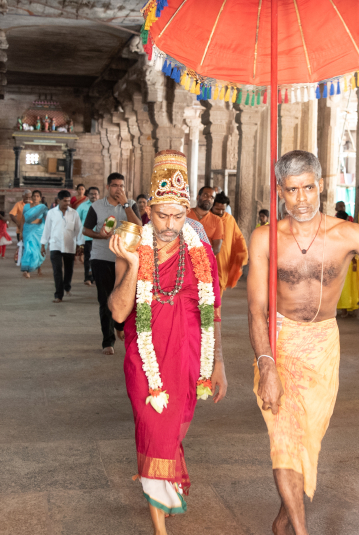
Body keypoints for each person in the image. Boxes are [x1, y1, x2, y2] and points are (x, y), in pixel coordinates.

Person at [247, 151, 359, 535]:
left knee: (306, 443)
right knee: (284, 439)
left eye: (309, 188)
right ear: (279, 192)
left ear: (321, 186)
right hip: (279, 344)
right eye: (292, 190)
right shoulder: (265, 238)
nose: (301, 199)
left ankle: (284, 519)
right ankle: (300, 530)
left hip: (322, 346)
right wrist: (266, 365)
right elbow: (255, 310)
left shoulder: (345, 234)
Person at [107, 149, 228, 535]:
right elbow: (118, 312)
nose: (170, 224)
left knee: (174, 426)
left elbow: (214, 310)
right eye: (162, 214)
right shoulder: (133, 244)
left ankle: (164, 481)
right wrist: (131, 264)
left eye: (179, 215)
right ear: (149, 208)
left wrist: (219, 363)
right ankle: (159, 525)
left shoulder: (199, 248)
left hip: (188, 357)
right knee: (152, 425)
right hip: (145, 360)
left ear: (187, 211)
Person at [82, 173, 143, 354]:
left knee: (127, 297)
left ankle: (120, 324)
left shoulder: (130, 205)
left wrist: (126, 205)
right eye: (115, 185)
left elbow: (139, 227)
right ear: (108, 187)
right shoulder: (97, 206)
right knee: (105, 298)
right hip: (101, 257)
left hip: (125, 259)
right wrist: (99, 235)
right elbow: (86, 229)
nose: (119, 189)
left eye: (121, 186)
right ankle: (107, 341)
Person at [43, 189, 83, 302]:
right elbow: (47, 229)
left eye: (68, 201)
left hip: (70, 245)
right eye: (65, 201)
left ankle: (67, 287)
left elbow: (78, 229)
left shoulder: (74, 213)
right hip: (55, 245)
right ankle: (58, 295)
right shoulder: (51, 213)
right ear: (58, 200)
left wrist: (80, 245)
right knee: (57, 270)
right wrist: (43, 244)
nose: (67, 203)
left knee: (69, 269)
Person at [209, 192, 248, 294]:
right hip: (206, 260)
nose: (220, 212)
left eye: (223, 209)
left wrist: (242, 253)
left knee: (218, 291)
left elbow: (238, 237)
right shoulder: (206, 219)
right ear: (212, 206)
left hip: (223, 262)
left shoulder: (229, 219)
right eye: (217, 209)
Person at [19, 190, 48, 278]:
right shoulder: (27, 207)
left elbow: (47, 220)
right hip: (28, 230)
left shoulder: (43, 207)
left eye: (37, 196)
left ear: (40, 198)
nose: (35, 198)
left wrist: (48, 232)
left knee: (38, 251)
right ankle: (27, 270)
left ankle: (38, 267)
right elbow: (23, 220)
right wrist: (20, 231)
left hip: (39, 231)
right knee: (28, 250)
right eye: (34, 196)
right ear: (31, 197)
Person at [190, 186, 224, 256]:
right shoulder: (185, 215)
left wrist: (200, 260)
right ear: (198, 197)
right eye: (205, 195)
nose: (208, 199)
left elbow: (216, 249)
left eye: (212, 197)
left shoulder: (217, 220)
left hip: (206, 261)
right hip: (183, 261)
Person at [77, 186, 99, 286]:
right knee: (88, 258)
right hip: (87, 237)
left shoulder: (103, 206)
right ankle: (88, 277)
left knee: (98, 259)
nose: (93, 196)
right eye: (91, 194)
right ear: (88, 195)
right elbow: (77, 220)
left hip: (100, 237)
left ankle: (96, 277)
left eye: (95, 194)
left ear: (99, 195)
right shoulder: (82, 206)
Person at [9, 190, 31, 265]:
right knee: (21, 245)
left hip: (30, 229)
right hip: (20, 230)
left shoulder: (33, 204)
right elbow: (12, 214)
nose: (28, 199)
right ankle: (19, 258)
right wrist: (18, 223)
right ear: (23, 196)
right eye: (26, 197)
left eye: (29, 197)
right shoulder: (18, 204)